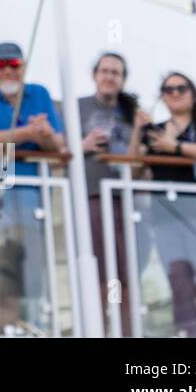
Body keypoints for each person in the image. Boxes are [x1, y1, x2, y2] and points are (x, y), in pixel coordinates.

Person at [0, 42, 65, 333]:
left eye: (13, 65)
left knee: (23, 280)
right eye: (1, 65)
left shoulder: (40, 94)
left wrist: (44, 135)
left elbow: (58, 148)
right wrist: (27, 134)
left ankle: (13, 328)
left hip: (29, 204)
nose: (8, 70)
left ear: (22, 67)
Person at [136, 71, 196, 337]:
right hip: (167, 217)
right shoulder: (155, 131)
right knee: (179, 285)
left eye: (181, 88)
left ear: (193, 93)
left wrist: (175, 148)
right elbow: (133, 167)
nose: (174, 93)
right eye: (168, 89)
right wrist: (137, 130)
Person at [77, 51, 147, 336]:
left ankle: (126, 332)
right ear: (95, 75)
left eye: (115, 72)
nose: (109, 77)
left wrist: (139, 132)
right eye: (105, 71)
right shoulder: (77, 106)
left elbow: (138, 166)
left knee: (127, 278)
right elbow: (61, 151)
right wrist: (85, 143)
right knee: (99, 277)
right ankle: (101, 330)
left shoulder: (132, 113)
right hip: (93, 197)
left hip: (128, 202)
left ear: (123, 79)